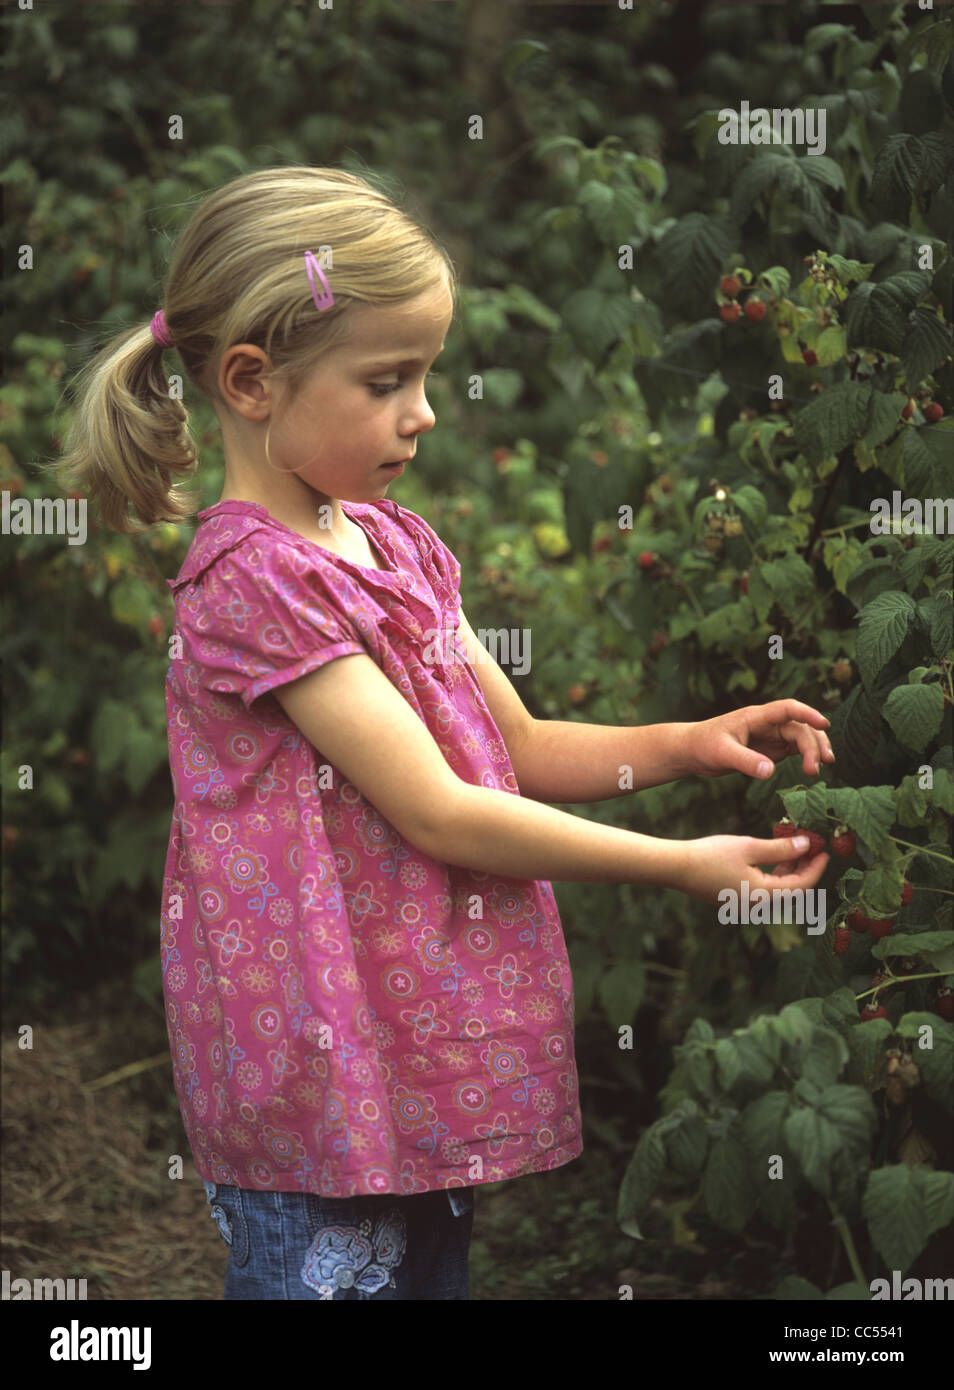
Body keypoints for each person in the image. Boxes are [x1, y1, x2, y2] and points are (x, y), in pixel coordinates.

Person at [53, 164, 832, 1301]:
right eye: (388, 380)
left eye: (426, 374)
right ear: (252, 382)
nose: (424, 411)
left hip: (412, 1048)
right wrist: (679, 868)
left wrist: (685, 740)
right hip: (323, 1056)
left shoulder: (396, 546)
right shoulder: (256, 583)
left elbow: (507, 750)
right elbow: (441, 809)